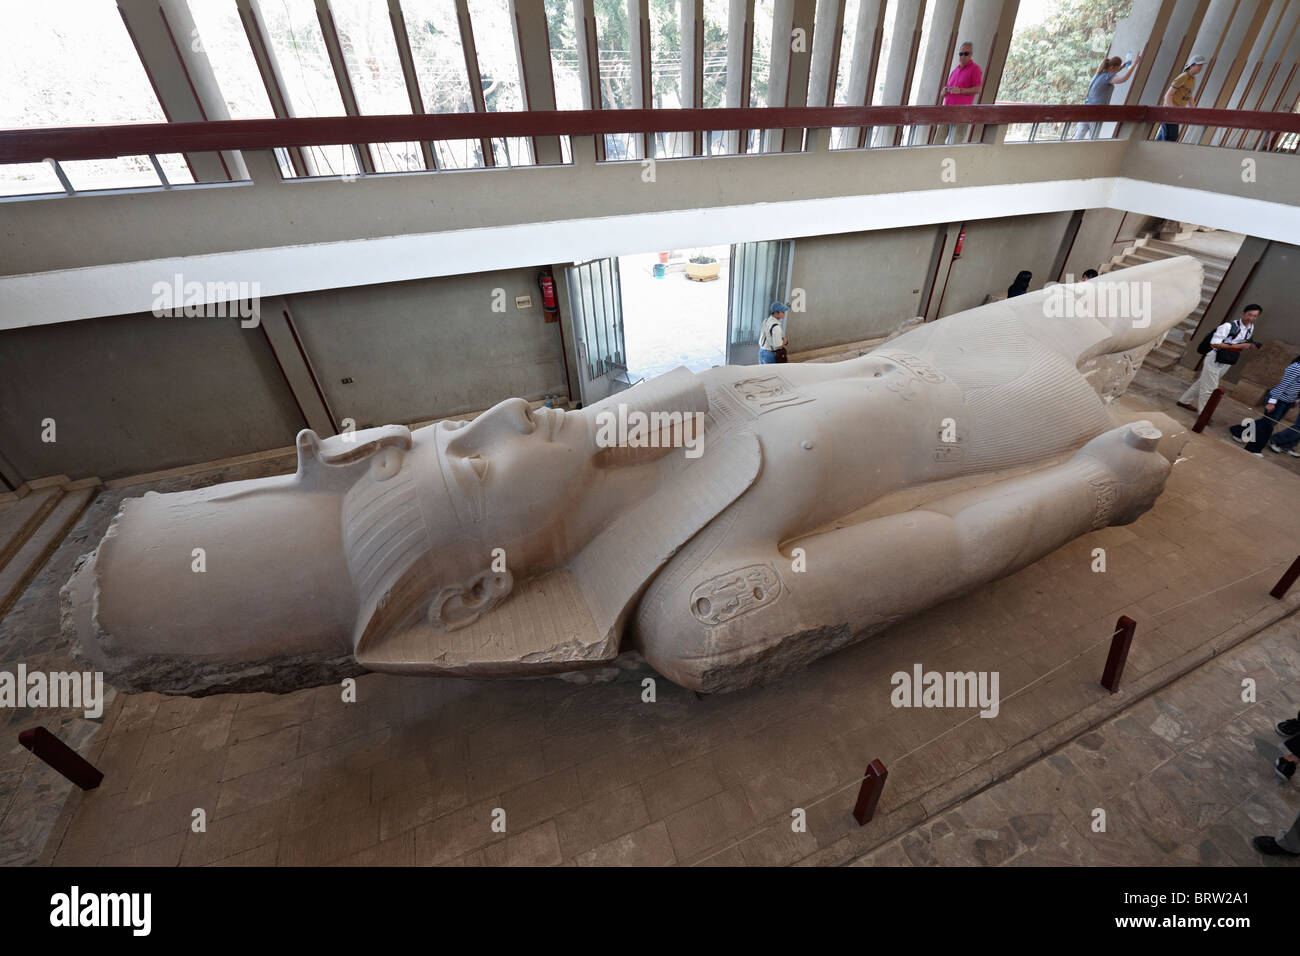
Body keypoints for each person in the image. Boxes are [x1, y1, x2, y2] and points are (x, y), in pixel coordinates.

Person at [1176, 304, 1262, 413]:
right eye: (1249, 315)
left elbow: (1239, 342)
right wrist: (1237, 346)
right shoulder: (1228, 326)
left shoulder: (1250, 328)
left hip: (1228, 359)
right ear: (1243, 313)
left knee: (1204, 381)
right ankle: (1204, 415)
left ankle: (1184, 401)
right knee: (1211, 388)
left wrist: (1249, 345)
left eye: (1254, 316)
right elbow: (1214, 343)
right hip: (1215, 357)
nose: (1251, 318)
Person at [1230, 355, 1300, 456]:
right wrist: (1272, 402)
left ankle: (1238, 431)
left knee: (1267, 423)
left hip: (1288, 401)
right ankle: (1253, 449)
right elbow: (1282, 385)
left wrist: (1296, 400)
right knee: (1267, 426)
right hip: (1278, 399)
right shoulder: (1296, 367)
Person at [1073, 54, 1141, 140]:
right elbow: (1123, 79)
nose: (1116, 72)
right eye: (1117, 69)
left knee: (1078, 137)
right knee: (1093, 139)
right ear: (1112, 67)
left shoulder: (1098, 74)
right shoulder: (1109, 76)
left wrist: (1123, 66)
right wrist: (1134, 65)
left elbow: (1112, 73)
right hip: (1096, 112)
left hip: (1085, 110)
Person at [937, 41, 982, 145]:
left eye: (966, 53)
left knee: (955, 143)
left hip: (962, 113)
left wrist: (961, 90)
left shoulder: (975, 69)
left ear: (971, 55)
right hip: (947, 111)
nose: (963, 56)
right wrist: (944, 91)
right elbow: (948, 89)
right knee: (938, 141)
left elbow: (978, 89)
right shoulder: (955, 70)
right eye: (961, 53)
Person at [1156, 55, 1206, 142]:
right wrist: (1173, 111)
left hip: (1175, 113)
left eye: (1202, 65)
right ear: (1191, 66)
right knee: (1170, 138)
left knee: (1166, 137)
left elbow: (1189, 95)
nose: (1201, 67)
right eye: (1199, 65)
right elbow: (1168, 95)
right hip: (1169, 113)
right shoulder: (1183, 77)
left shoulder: (1192, 79)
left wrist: (1194, 110)